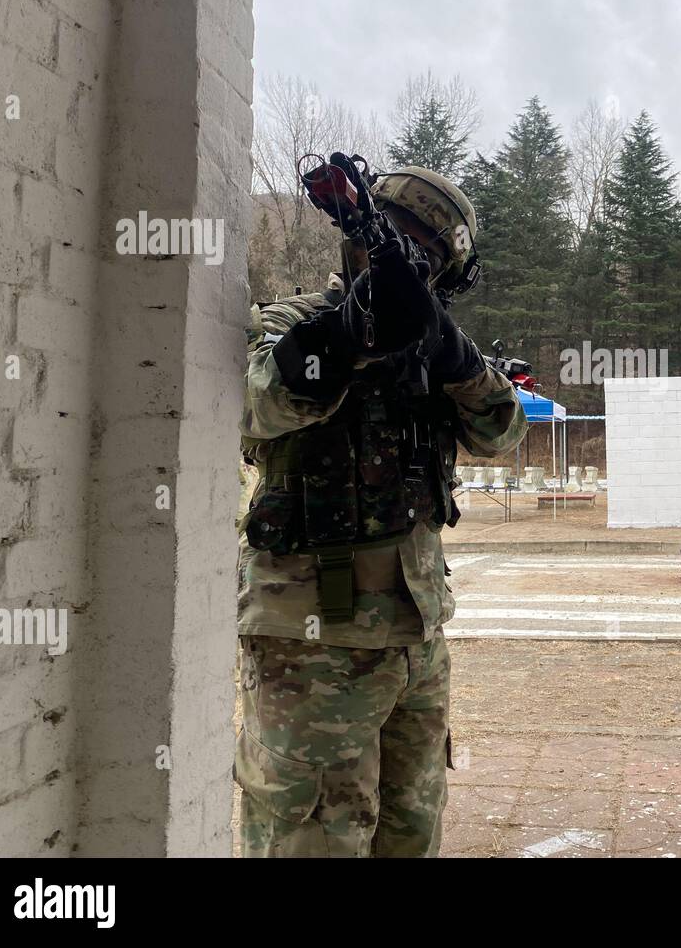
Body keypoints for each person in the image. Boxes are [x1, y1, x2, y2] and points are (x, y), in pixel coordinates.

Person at [235, 165, 527, 857]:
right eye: (399, 241)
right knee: (312, 835)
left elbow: (502, 429)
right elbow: (257, 403)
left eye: (427, 253)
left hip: (417, 637)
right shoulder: (293, 324)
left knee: (411, 827)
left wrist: (450, 351)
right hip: (312, 640)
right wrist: (348, 340)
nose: (408, 260)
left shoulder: (437, 353)